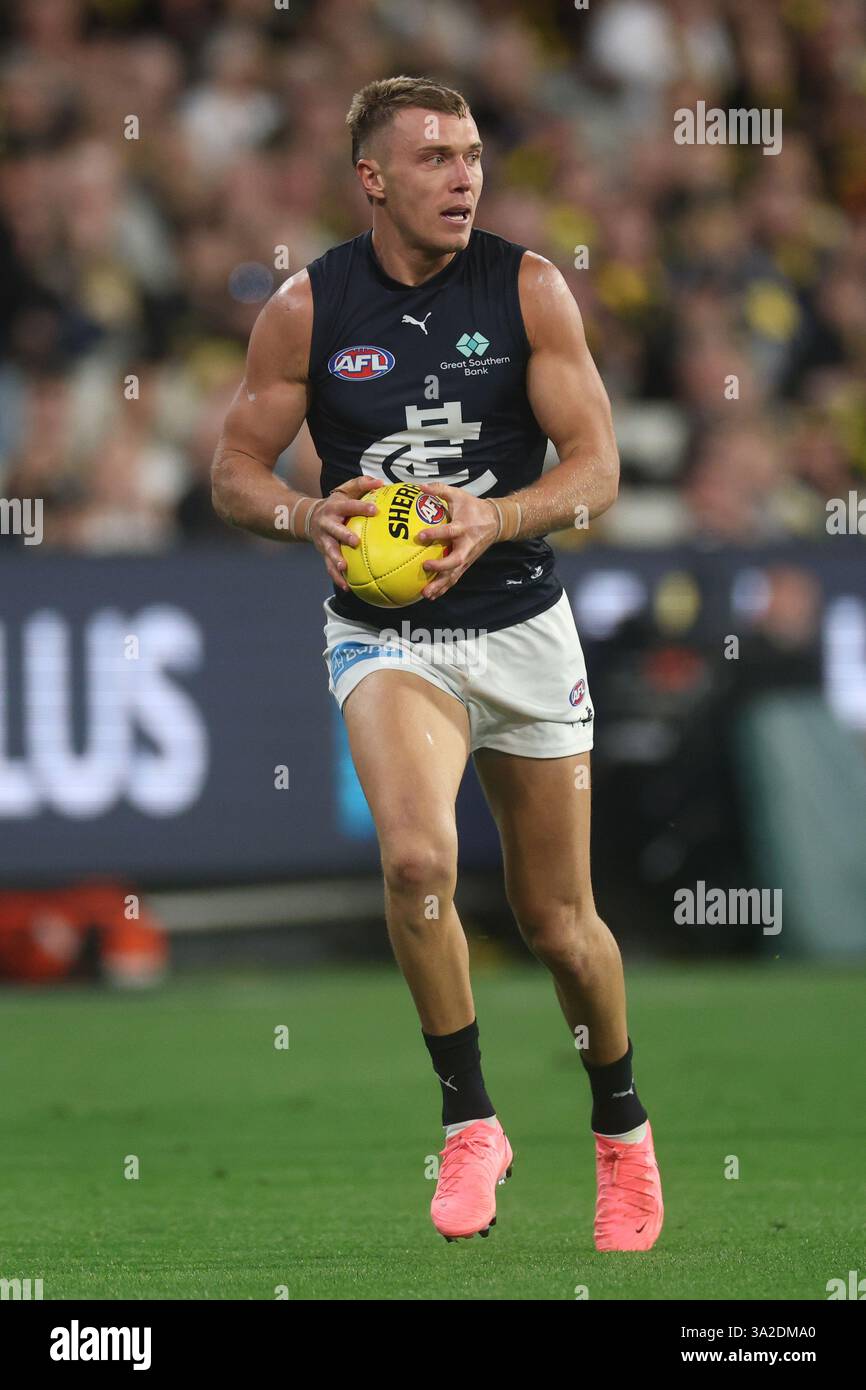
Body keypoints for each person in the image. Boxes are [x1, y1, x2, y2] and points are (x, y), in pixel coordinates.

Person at [211, 76, 663, 1250]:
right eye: (434, 158)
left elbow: (597, 468)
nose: (464, 175)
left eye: (471, 154)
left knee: (558, 920)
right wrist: (305, 516)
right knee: (416, 857)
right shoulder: (308, 309)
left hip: (519, 625)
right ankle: (470, 1118)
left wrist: (495, 519)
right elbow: (233, 473)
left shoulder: (526, 288)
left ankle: (621, 1131)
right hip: (385, 631)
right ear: (372, 178)